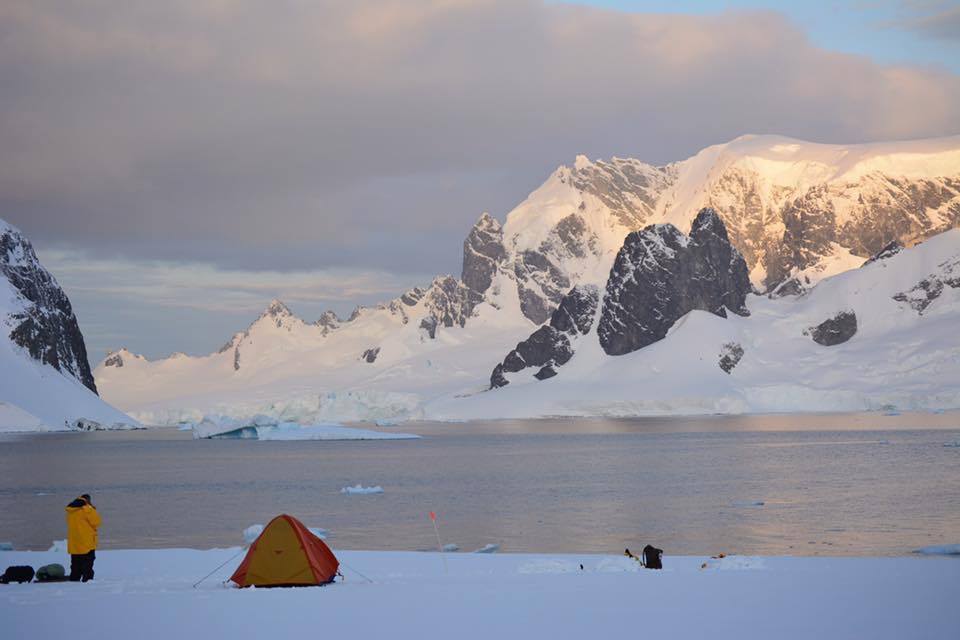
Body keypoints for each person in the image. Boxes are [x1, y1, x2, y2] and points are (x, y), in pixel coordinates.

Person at [65, 493, 101, 582]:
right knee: (88, 563)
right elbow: (97, 522)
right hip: (86, 541)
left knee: (75, 563)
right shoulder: (87, 509)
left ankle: (74, 579)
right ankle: (87, 580)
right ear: (88, 500)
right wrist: (92, 510)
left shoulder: (71, 510)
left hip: (74, 542)